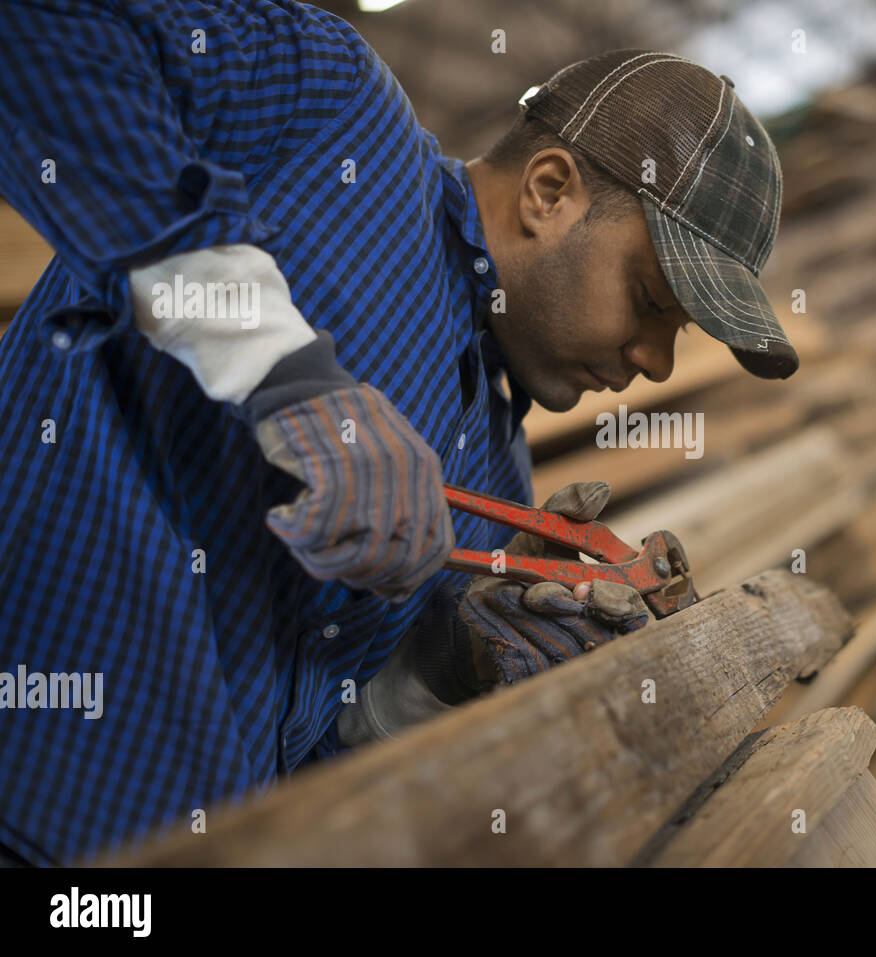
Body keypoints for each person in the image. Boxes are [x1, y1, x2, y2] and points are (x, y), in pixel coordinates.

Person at [0, 1, 797, 866]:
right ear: (550, 191)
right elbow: (43, 36)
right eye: (649, 300)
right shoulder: (329, 108)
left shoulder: (500, 490)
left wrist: (439, 676)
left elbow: (314, 760)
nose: (655, 362)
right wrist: (279, 371)